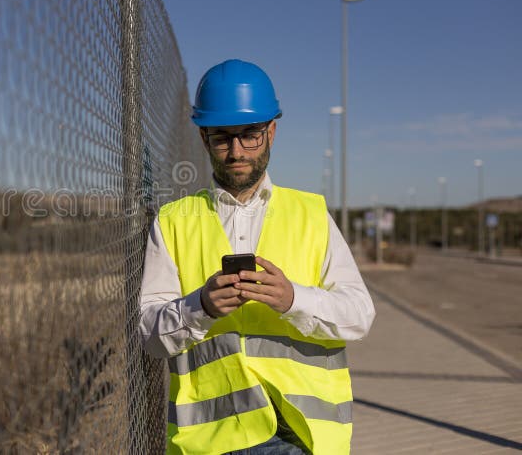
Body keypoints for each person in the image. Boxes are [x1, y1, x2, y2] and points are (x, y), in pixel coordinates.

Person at [139, 59, 375, 454]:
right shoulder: (173, 221)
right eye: (222, 138)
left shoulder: (311, 215)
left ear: (271, 132)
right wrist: (200, 307)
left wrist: (294, 299)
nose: (236, 152)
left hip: (297, 433)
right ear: (204, 138)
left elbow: (359, 316)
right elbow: (149, 334)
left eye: (250, 135)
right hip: (210, 440)